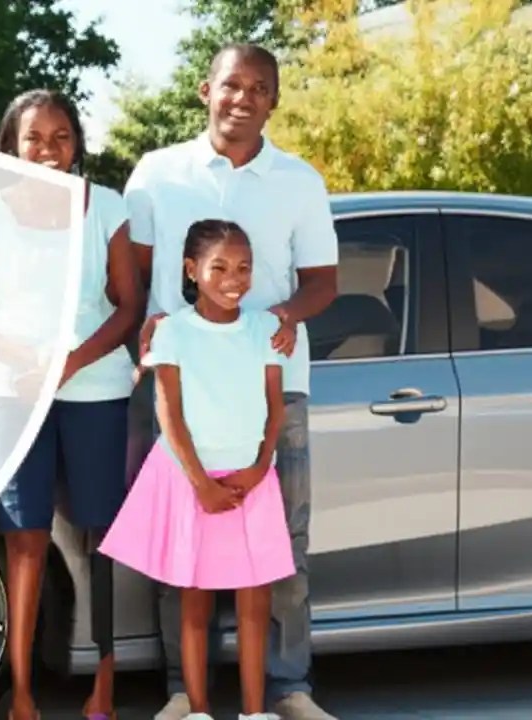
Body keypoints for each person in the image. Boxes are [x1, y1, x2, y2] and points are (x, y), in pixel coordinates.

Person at [122, 44, 340, 720]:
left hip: (273, 387)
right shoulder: (157, 174)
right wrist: (142, 333)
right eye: (231, 85)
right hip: (180, 389)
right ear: (204, 90)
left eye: (259, 88)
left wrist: (282, 314)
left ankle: (286, 690)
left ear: (274, 100)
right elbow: (128, 276)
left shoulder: (299, 180)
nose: (243, 98)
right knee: (178, 542)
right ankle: (185, 695)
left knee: (282, 549)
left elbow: (323, 283)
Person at [0, 88, 144, 720]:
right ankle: (22, 695)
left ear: (77, 144)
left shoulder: (106, 207)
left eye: (62, 137)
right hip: (11, 393)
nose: (49, 149)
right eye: (35, 137)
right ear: (11, 145)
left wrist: (69, 363)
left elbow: (128, 305)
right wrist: (21, 361)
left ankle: (103, 688)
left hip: (96, 389)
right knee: (25, 538)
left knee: (100, 535)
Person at [100, 219, 296, 720]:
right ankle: (200, 711)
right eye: (220, 267)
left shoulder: (264, 330)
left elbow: (276, 408)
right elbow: (169, 414)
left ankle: (255, 713)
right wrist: (202, 485)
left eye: (244, 267)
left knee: (256, 602)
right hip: (193, 480)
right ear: (192, 269)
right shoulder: (174, 333)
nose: (234, 278)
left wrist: (260, 465)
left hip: (253, 479)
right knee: (195, 598)